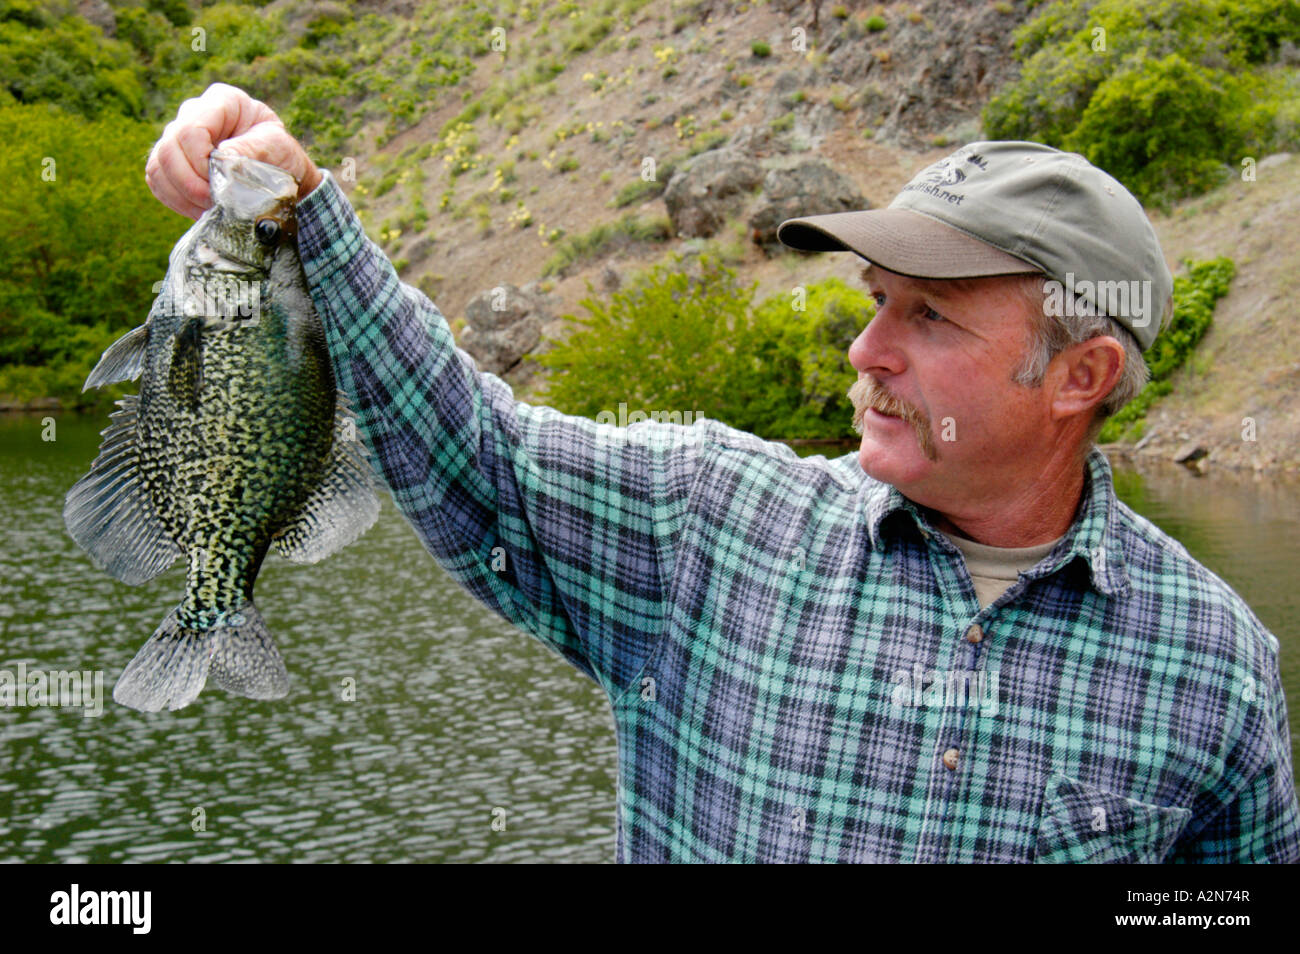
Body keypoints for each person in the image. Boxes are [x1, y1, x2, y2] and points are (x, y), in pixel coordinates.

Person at [145, 83, 1300, 863]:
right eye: (872, 305)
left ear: (1078, 374)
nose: (866, 351)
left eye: (932, 319)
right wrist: (299, 198)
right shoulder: (710, 520)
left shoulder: (1215, 671)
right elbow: (474, 450)